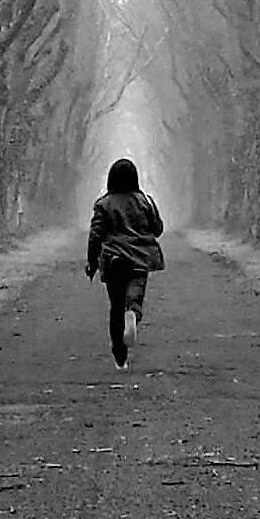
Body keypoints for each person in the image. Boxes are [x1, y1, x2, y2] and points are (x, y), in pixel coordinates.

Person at [84, 157, 164, 368]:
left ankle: (120, 356)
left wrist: (92, 262)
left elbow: (95, 235)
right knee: (134, 298)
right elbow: (157, 229)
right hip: (139, 258)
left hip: (113, 259)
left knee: (115, 306)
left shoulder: (103, 204)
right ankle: (133, 315)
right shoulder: (143, 201)